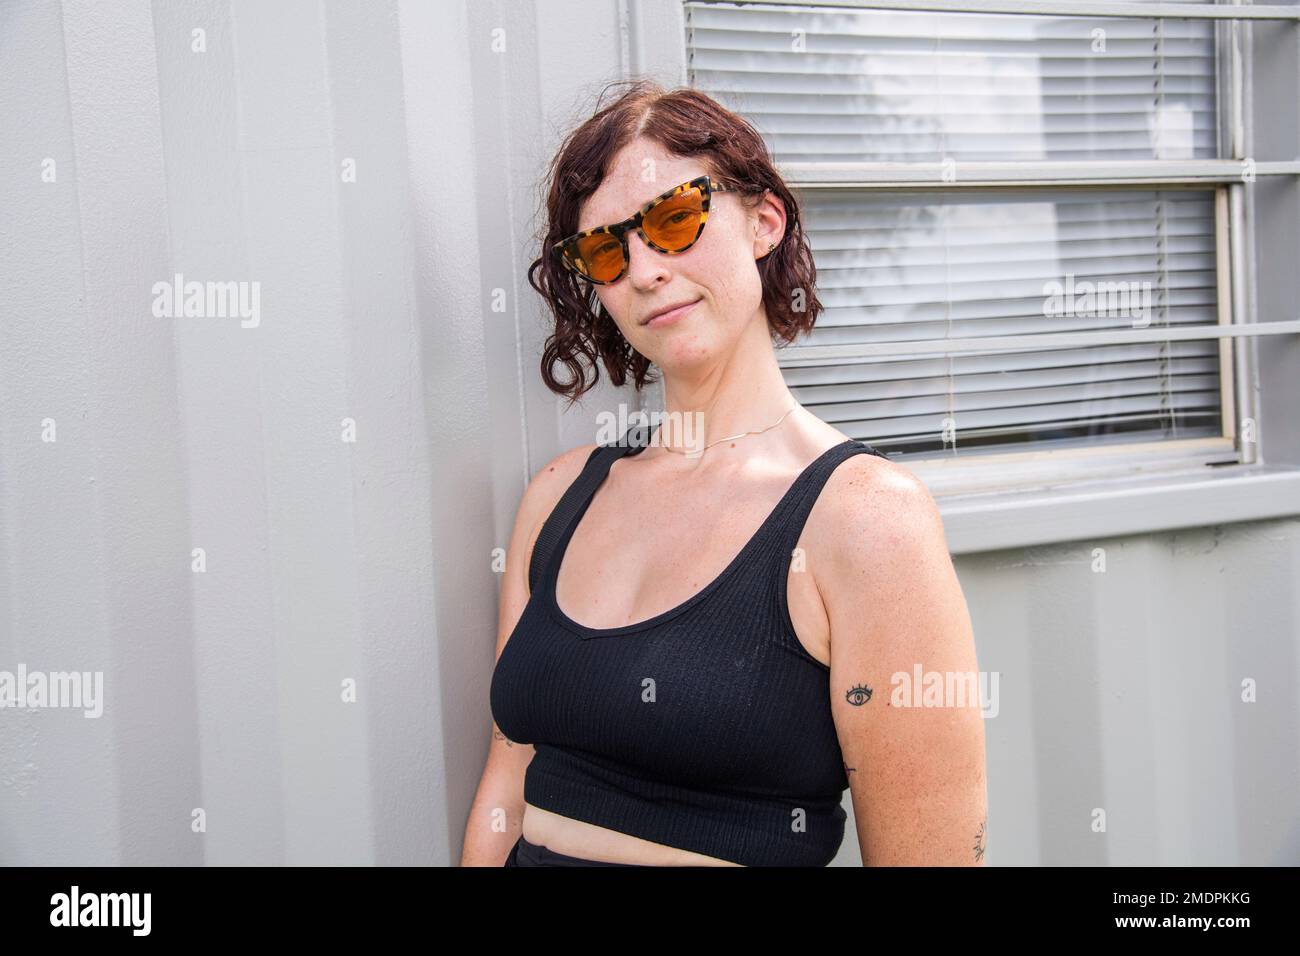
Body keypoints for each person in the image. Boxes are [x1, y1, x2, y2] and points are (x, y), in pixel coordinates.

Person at [462, 79, 986, 867]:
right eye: (606, 250)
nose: (643, 271)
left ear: (764, 221)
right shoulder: (559, 498)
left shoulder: (867, 518)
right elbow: (506, 787)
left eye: (674, 220)